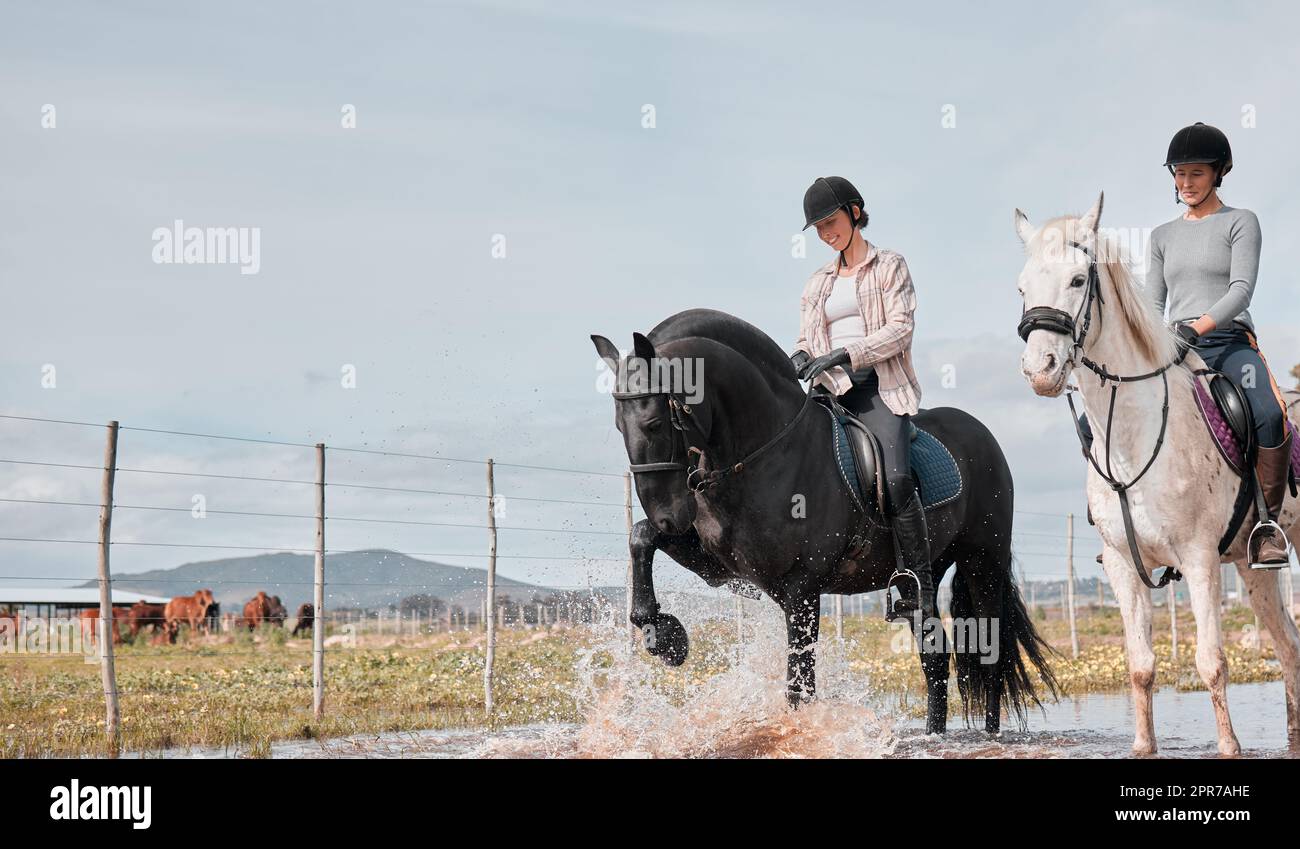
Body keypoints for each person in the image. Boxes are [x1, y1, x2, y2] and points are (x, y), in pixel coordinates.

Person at [1148, 122, 1293, 567]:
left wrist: (1198, 327)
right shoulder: (1161, 236)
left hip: (1228, 341)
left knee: (1269, 414)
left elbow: (1240, 290)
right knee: (1111, 409)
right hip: (1175, 346)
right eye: (1180, 173)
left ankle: (1266, 526)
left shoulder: (1240, 222)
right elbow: (1152, 305)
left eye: (1196, 173)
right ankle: (1124, 518)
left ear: (1218, 173)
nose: (1186, 183)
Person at [788, 176, 932, 618]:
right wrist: (800, 356)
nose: (824, 233)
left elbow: (901, 328)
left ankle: (916, 583)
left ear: (854, 212)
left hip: (877, 388)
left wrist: (847, 353)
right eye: (818, 228)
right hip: (829, 391)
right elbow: (806, 338)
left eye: (830, 222)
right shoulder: (816, 283)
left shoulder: (890, 265)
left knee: (897, 479)